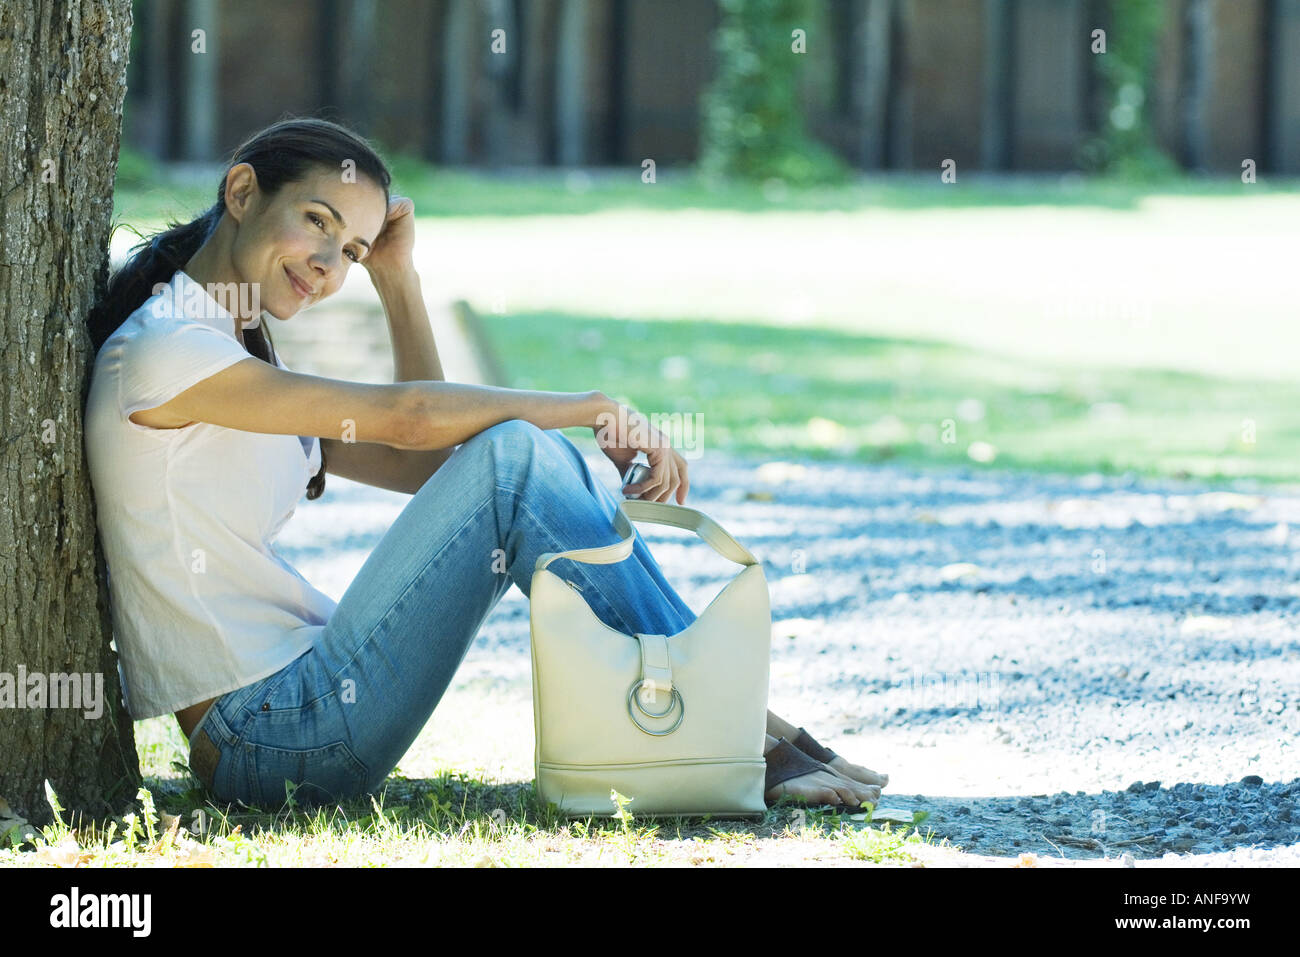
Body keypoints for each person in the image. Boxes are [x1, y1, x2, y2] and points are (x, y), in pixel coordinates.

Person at [84, 116, 888, 813]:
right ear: (241, 191)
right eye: (317, 220)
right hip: (270, 737)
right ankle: (736, 718)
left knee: (523, 459)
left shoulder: (225, 350)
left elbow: (430, 462)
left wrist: (398, 281)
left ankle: (745, 717)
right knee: (519, 456)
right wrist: (586, 404)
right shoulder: (164, 352)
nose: (330, 262)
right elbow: (415, 419)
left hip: (302, 710)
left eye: (353, 248)